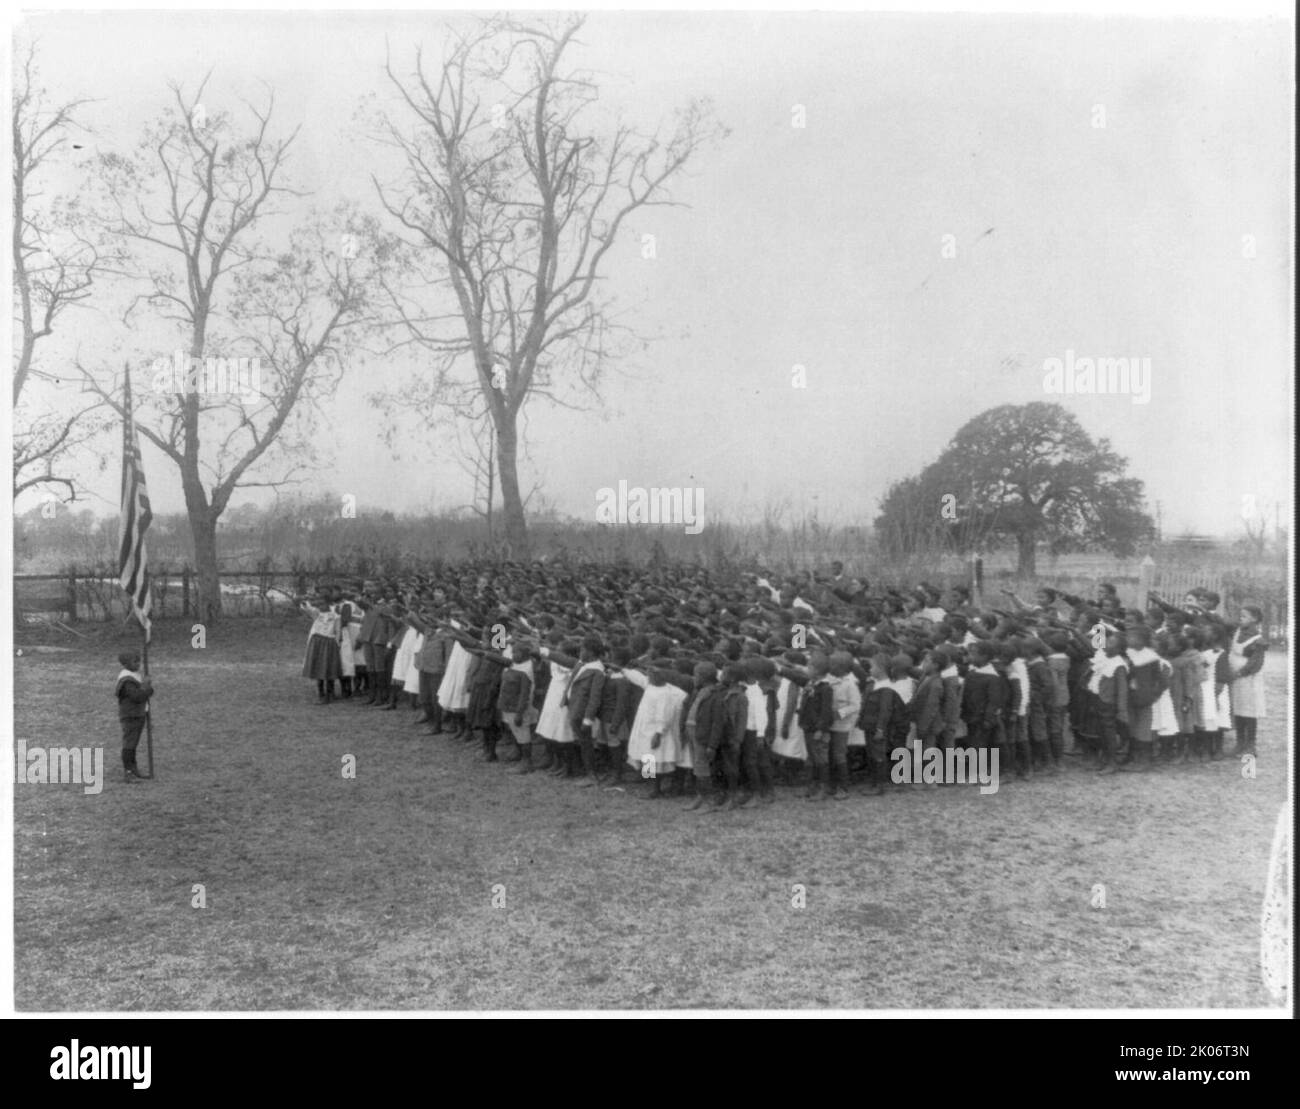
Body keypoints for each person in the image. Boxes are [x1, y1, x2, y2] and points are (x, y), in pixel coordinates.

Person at [1228, 606, 1267, 757]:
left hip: (1248, 680)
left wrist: (1240, 672)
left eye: (1244, 616)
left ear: (1254, 619)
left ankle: (1251, 745)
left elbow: (1256, 663)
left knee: (1249, 712)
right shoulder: (1237, 632)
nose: (1240, 619)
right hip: (1236, 680)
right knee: (1238, 709)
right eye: (1240, 616)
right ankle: (1240, 742)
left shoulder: (1258, 640)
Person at [115, 649, 154, 783]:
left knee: (134, 743)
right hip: (130, 716)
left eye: (139, 661)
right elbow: (137, 696)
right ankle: (128, 772)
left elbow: (144, 694)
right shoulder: (126, 680)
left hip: (138, 714)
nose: (138, 664)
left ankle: (134, 767)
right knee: (129, 744)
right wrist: (146, 686)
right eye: (134, 661)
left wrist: (146, 687)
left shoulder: (135, 675)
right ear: (126, 664)